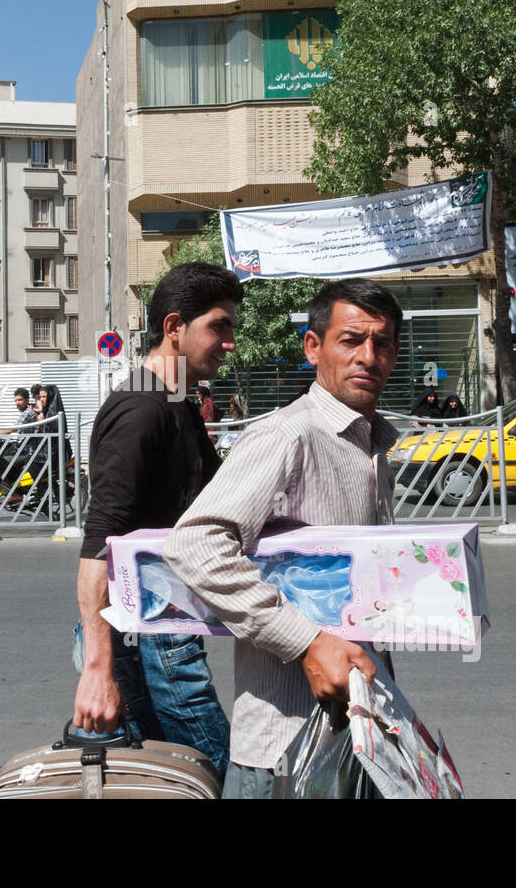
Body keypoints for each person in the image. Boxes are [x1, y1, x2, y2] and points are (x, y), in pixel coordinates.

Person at [163, 277, 402, 799]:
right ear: (313, 347)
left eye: (382, 344)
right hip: (285, 753)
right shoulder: (287, 435)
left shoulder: (370, 442)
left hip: (356, 734)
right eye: (351, 340)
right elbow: (197, 545)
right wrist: (308, 642)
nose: (368, 356)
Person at [72, 261, 240, 774]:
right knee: (217, 766)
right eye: (219, 326)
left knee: (167, 771)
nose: (229, 342)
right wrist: (99, 668)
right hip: (140, 626)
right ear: (173, 327)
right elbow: (99, 545)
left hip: (166, 619)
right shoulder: (141, 409)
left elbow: (222, 496)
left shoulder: (178, 404)